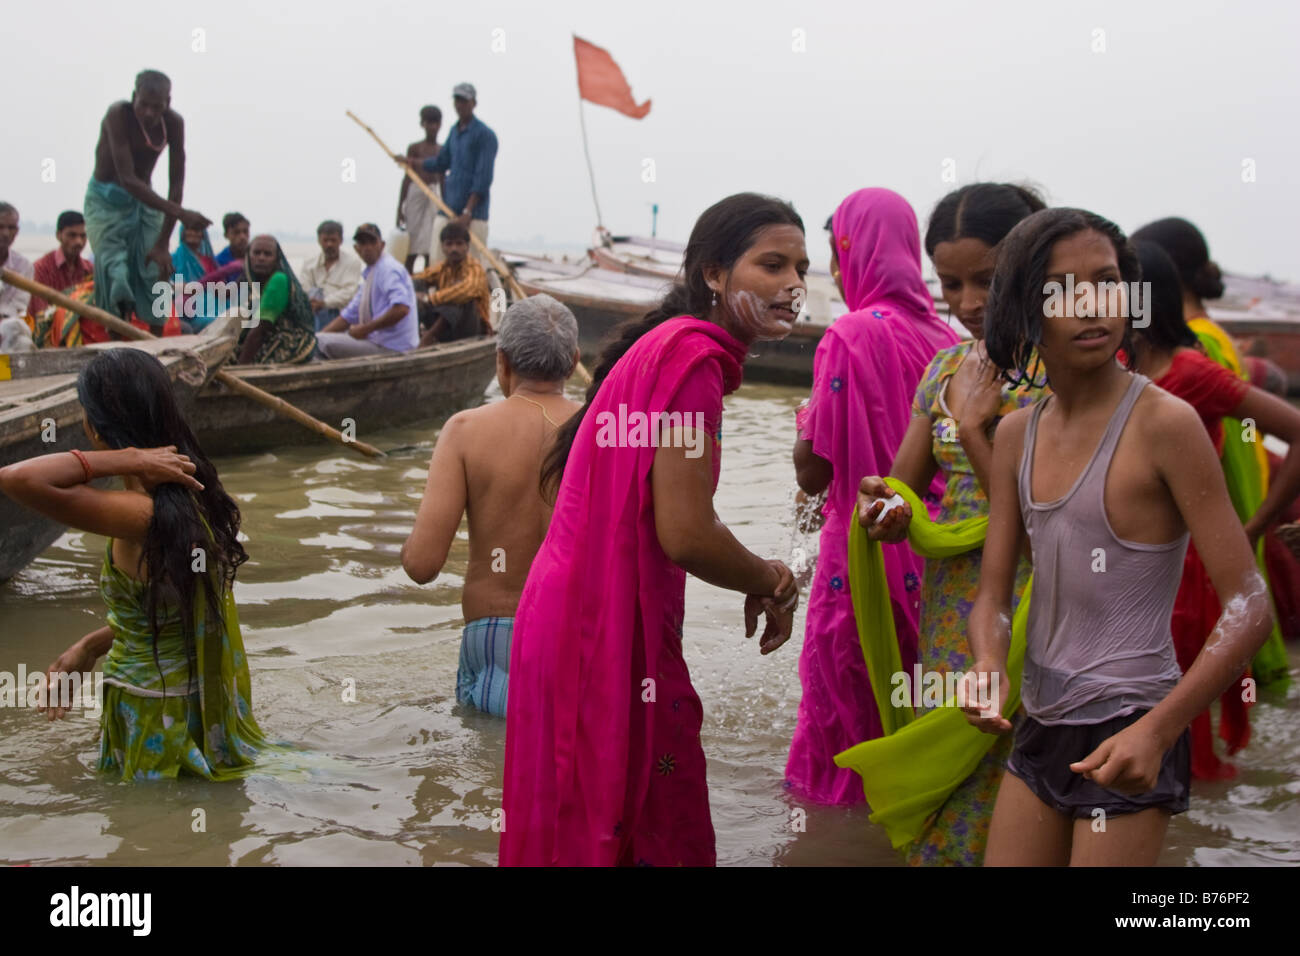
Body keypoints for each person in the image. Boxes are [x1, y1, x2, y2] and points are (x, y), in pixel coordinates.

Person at [500, 193, 804, 866]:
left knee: (586, 822)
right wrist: (773, 579)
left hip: (571, 617)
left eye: (801, 269)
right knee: (650, 826)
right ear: (714, 275)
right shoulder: (691, 363)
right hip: (598, 627)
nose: (793, 285)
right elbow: (687, 532)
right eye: (773, 264)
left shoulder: (667, 349)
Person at [964, 208, 1273, 866]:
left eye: (1106, 282)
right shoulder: (1018, 434)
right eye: (1062, 288)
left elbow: (1248, 602)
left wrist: (1161, 729)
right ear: (1025, 306)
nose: (1091, 305)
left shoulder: (1167, 423)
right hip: (1040, 720)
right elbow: (994, 593)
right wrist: (989, 666)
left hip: (1134, 718)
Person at [851, 183, 1049, 865]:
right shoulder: (944, 368)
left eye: (987, 282)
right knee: (951, 745)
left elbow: (1043, 513)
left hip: (1030, 597)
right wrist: (885, 506)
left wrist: (970, 425)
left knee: (1010, 750)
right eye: (951, 283)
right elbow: (904, 483)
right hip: (948, 601)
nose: (967, 303)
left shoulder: (1064, 376)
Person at [0, 348, 271, 781]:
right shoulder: (192, 492)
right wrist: (90, 645)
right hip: (188, 708)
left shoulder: (137, 513)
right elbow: (169, 610)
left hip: (149, 708)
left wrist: (128, 459)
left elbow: (15, 478)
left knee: (140, 839)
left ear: (94, 428)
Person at [787, 188, 960, 806]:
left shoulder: (850, 334)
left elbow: (814, 473)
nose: (836, 271)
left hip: (861, 559)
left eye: (837, 255)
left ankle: (832, 839)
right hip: (937, 560)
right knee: (914, 711)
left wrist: (803, 421)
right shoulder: (950, 339)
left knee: (843, 724)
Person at [1127, 240, 1300, 779]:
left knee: (1173, 736)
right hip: (1122, 571)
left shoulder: (1192, 372)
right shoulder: (1110, 371)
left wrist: (1256, 525)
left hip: (1184, 572)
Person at [402, 294, 581, 716]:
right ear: (573, 362)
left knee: (489, 770)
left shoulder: (465, 430)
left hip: (494, 639)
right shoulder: (599, 428)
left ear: (502, 362)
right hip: (579, 637)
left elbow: (422, 565)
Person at [86, 70, 211, 331]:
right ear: (134, 97)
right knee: (115, 270)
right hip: (107, 199)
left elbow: (176, 183)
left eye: (157, 107)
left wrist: (164, 242)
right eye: (144, 105)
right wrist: (181, 213)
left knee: (155, 269)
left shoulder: (174, 123)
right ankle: (116, 344)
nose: (150, 113)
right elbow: (128, 179)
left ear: (168, 103)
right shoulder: (118, 115)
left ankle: (157, 346)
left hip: (147, 200)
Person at [407, 83, 497, 266]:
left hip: (473, 214)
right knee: (437, 259)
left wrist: (467, 212)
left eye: (464, 101)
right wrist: (413, 163)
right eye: (457, 100)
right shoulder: (454, 132)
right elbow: (441, 162)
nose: (459, 105)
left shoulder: (484, 135)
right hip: (449, 208)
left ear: (473, 103)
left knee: (473, 265)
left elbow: (483, 178)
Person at [316, 223, 418, 359]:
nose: (367, 248)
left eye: (372, 242)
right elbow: (347, 316)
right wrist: (318, 337)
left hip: (392, 348)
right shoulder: (371, 274)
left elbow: (402, 308)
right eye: (362, 243)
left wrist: (365, 329)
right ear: (356, 249)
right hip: (377, 343)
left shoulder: (387, 268)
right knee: (317, 340)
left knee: (320, 343)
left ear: (381, 245)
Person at [233, 235, 317, 365]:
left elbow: (259, 329)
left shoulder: (279, 280)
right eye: (256, 253)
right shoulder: (248, 281)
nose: (261, 258)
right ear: (249, 256)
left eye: (267, 254)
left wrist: (240, 368)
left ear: (276, 259)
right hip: (261, 337)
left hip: (288, 338)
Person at [414, 221, 492, 346]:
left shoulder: (475, 268)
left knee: (459, 297)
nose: (454, 248)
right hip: (448, 326)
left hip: (471, 329)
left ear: (467, 246)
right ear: (442, 247)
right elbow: (417, 278)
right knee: (416, 284)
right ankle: (414, 334)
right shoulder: (442, 267)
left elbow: (467, 290)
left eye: (459, 244)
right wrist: (417, 294)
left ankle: (428, 338)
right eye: (449, 244)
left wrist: (429, 298)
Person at [398, 106, 444, 272]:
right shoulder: (415, 148)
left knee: (431, 241)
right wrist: (400, 208)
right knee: (411, 239)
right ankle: (406, 276)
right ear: (423, 124)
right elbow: (407, 178)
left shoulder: (442, 150)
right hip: (415, 194)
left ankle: (426, 278)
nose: (433, 127)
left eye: (436, 123)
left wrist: (446, 206)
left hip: (433, 195)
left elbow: (442, 178)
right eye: (429, 123)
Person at [299, 220, 363, 331]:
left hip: (339, 314)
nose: (329, 244)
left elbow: (349, 292)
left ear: (341, 241)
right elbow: (304, 287)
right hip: (313, 311)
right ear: (319, 240)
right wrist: (314, 303)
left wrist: (324, 303)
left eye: (333, 240)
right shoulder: (310, 262)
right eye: (325, 240)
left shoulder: (352, 262)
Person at [29, 211, 94, 317]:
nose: (79, 242)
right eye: (72, 235)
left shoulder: (89, 269)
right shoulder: (41, 268)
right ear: (58, 235)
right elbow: (40, 314)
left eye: (83, 236)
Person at [0, 202, 33, 319]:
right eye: (1, 227)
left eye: (11, 228)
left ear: (17, 231)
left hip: (9, 329)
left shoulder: (24, 266)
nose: (5, 233)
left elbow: (19, 307)